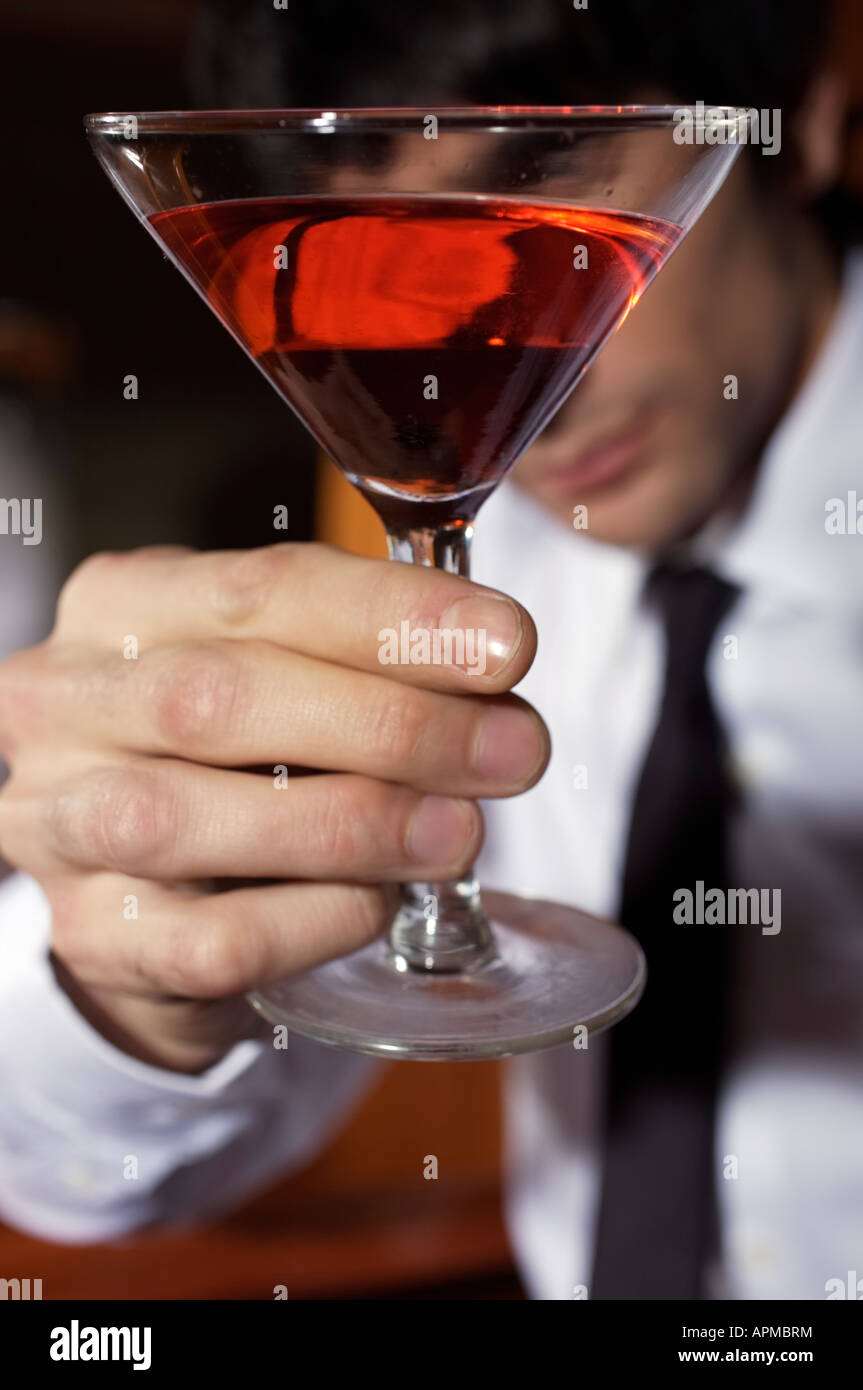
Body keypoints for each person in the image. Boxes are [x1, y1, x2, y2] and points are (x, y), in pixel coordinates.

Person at [0, 0, 861, 1299]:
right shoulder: (471, 550)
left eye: (543, 177)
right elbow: (82, 1176)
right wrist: (141, 987)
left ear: (806, 127)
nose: (473, 334)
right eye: (382, 244)